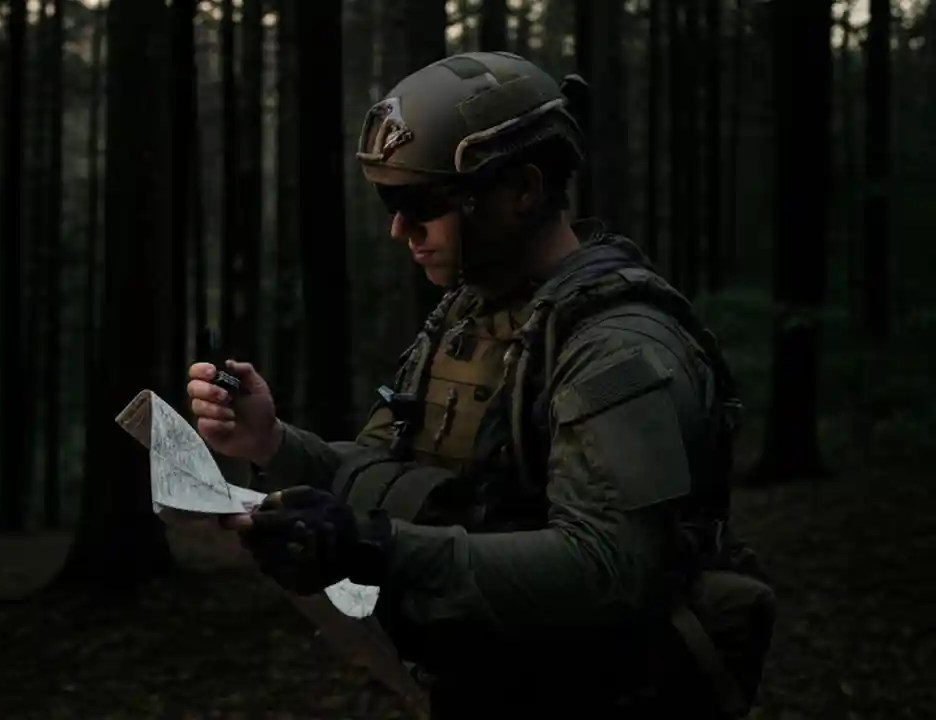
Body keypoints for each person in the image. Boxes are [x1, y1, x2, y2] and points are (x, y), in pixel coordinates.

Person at [186, 51, 773, 718]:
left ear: (522, 189)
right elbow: (394, 471)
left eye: (422, 203)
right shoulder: (471, 313)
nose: (399, 229)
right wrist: (272, 441)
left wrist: (377, 548)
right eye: (389, 200)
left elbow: (610, 570)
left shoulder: (616, 347)